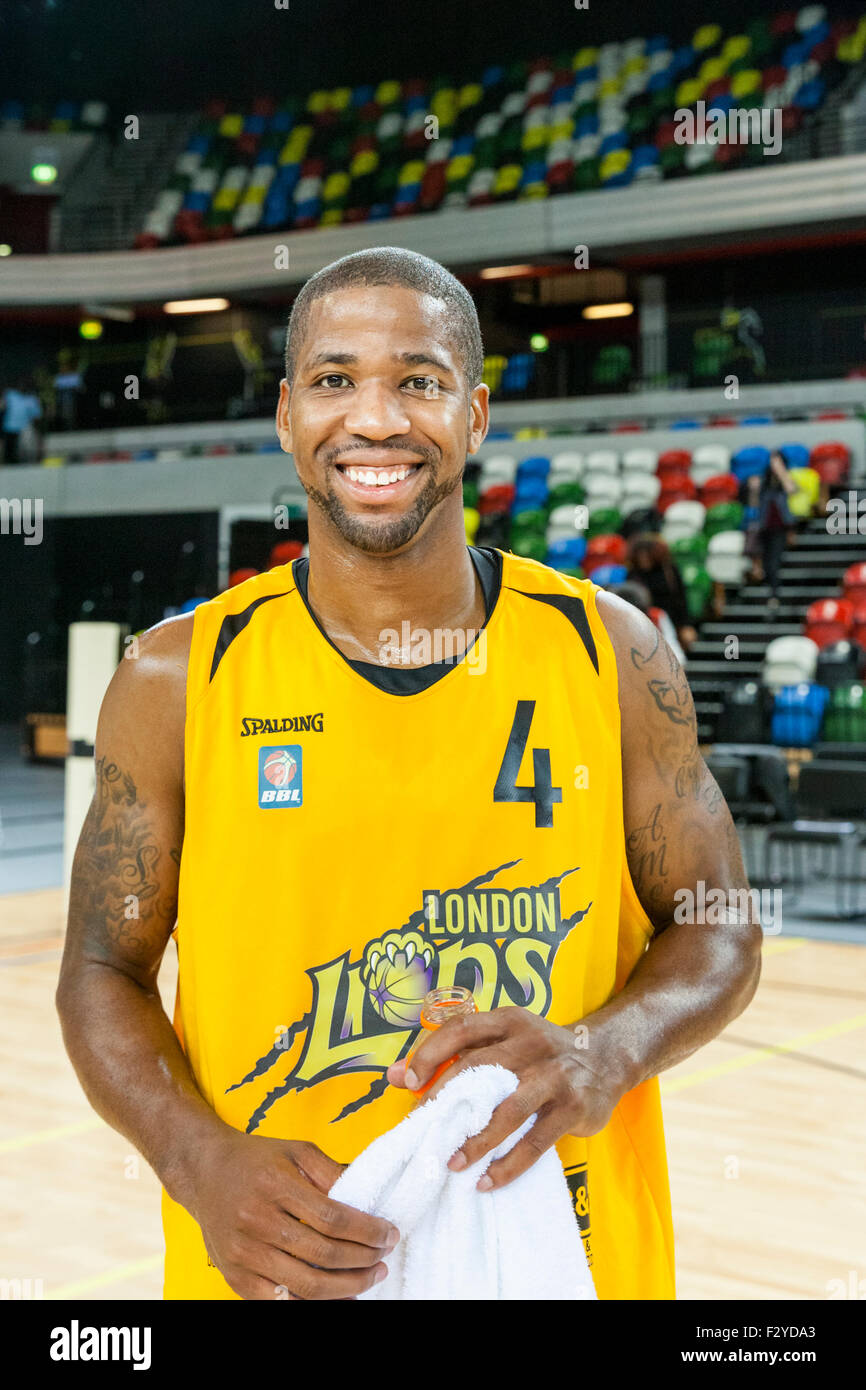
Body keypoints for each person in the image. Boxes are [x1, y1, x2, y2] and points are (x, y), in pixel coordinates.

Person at [57, 247, 761, 1302]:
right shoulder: (175, 676)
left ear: (473, 415)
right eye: (335, 381)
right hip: (279, 1259)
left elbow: (718, 926)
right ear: (288, 414)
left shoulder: (609, 651)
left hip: (561, 1248)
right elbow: (101, 971)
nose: (375, 420)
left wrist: (599, 1051)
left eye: (418, 381)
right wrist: (193, 1159)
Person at [626, 533, 698, 652]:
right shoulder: (632, 574)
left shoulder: (669, 570)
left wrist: (686, 625)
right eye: (640, 555)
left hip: (669, 621)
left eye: (646, 554)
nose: (643, 559)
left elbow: (680, 598)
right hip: (643, 623)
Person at [753, 450, 799, 606]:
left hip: (780, 527)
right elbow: (754, 503)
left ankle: (774, 593)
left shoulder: (787, 479)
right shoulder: (763, 482)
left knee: (774, 560)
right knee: (766, 561)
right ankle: (770, 590)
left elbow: (792, 490)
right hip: (765, 527)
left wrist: (781, 471)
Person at [1, 375, 42, 464]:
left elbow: (36, 417)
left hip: (24, 430)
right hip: (9, 429)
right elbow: (2, 406)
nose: (23, 386)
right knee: (8, 453)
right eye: (21, 384)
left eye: (26, 384)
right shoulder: (10, 394)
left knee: (23, 453)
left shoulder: (32, 399)